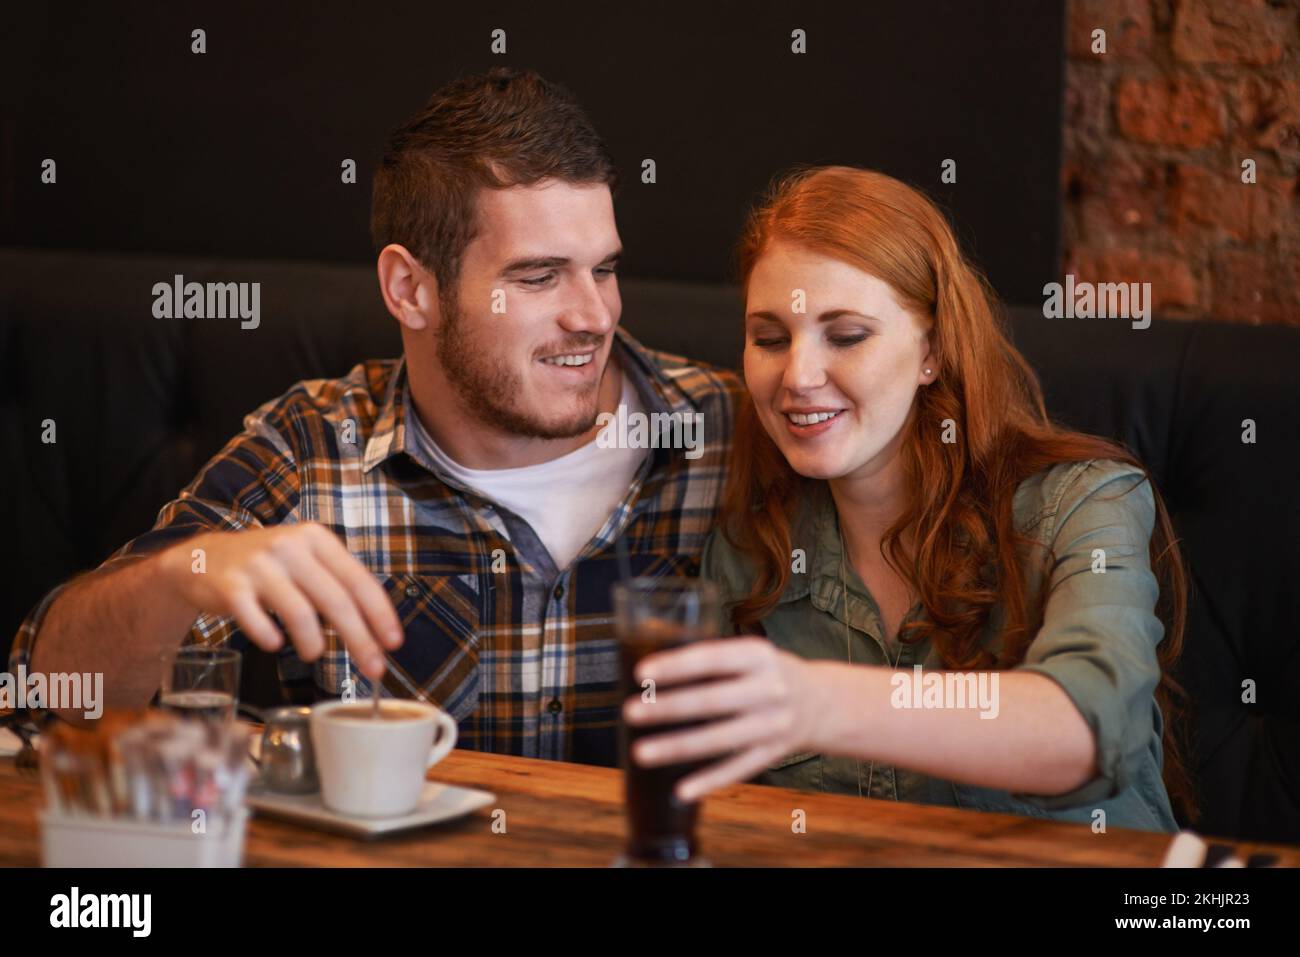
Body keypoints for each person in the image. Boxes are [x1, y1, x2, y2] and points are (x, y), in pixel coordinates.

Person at [11, 68, 742, 769]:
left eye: (605, 269)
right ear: (410, 289)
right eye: (538, 276)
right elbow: (46, 700)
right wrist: (179, 578)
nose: (594, 315)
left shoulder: (726, 433)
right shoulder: (312, 447)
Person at [622, 165, 1194, 832]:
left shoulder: (1083, 502)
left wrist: (818, 700)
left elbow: (1087, 730)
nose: (799, 376)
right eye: (770, 338)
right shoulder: (754, 548)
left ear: (933, 349)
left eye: (847, 335)